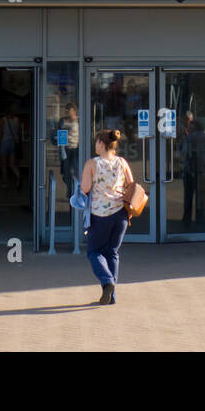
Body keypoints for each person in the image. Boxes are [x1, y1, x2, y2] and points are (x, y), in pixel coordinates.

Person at [80, 129, 136, 305]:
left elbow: (85, 188)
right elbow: (131, 185)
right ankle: (111, 296)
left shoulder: (92, 164)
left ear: (102, 144)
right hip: (120, 215)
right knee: (112, 253)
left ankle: (107, 282)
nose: (95, 145)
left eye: (96, 142)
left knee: (94, 252)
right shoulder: (122, 162)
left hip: (100, 215)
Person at [58, 103, 80, 200]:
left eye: (69, 110)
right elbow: (60, 136)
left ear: (74, 111)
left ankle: (74, 191)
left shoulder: (79, 120)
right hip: (66, 149)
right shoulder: (63, 121)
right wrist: (62, 151)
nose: (67, 113)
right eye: (66, 111)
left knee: (75, 171)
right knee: (66, 172)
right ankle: (70, 189)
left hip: (76, 149)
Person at [0, 107, 23, 191]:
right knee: (13, 164)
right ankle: (19, 176)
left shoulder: (3, 120)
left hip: (5, 143)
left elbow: (0, 134)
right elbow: (19, 133)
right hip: (14, 143)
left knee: (4, 165)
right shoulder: (17, 119)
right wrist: (18, 143)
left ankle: (5, 183)